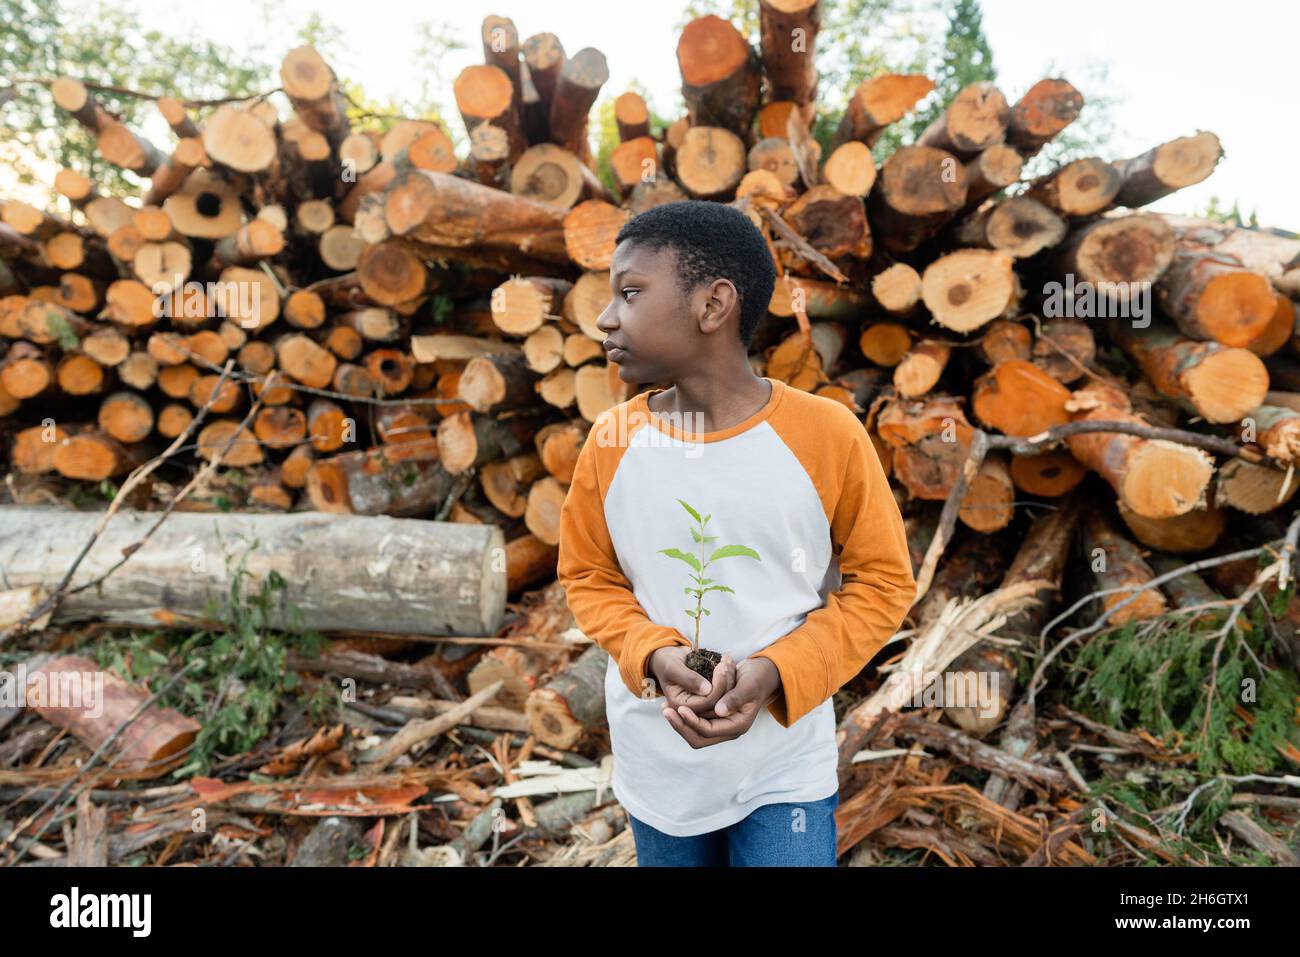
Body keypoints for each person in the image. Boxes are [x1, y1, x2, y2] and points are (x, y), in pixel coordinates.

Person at [555, 200, 916, 866]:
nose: (606, 317)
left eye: (630, 292)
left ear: (713, 305)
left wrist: (777, 673)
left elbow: (884, 582)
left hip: (784, 766)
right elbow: (588, 575)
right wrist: (654, 654)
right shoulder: (612, 442)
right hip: (658, 763)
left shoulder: (826, 435)